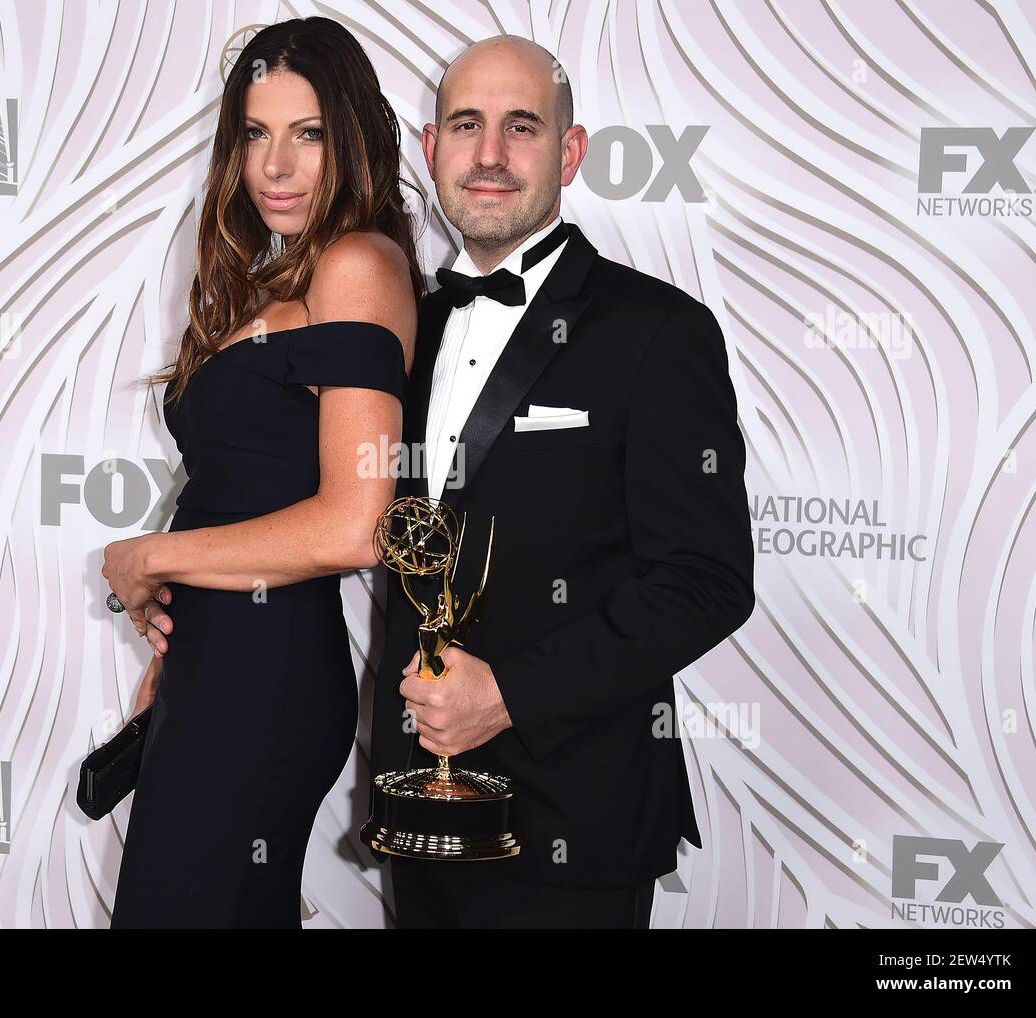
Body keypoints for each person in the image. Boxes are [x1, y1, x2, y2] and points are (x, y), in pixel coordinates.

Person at [365, 35, 755, 928]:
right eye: (466, 125)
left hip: (574, 816)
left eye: (523, 127)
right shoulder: (397, 333)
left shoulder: (657, 331)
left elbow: (707, 582)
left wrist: (508, 696)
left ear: (570, 152)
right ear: (431, 151)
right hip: (417, 807)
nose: (491, 154)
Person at [100, 16, 422, 928]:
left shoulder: (359, 265)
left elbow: (355, 523)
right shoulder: (269, 286)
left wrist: (154, 558)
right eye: (254, 133)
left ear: (351, 138)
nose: (275, 165)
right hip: (219, 663)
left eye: (308, 134)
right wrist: (182, 649)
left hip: (268, 671)